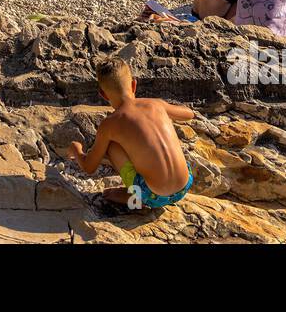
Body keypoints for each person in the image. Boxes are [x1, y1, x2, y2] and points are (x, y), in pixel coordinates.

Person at [66, 57, 194, 210]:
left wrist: (76, 149)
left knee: (111, 146)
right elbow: (189, 114)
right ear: (134, 84)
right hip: (185, 185)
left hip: (152, 196)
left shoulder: (110, 124)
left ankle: (134, 197)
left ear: (103, 94)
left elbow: (89, 167)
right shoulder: (156, 104)